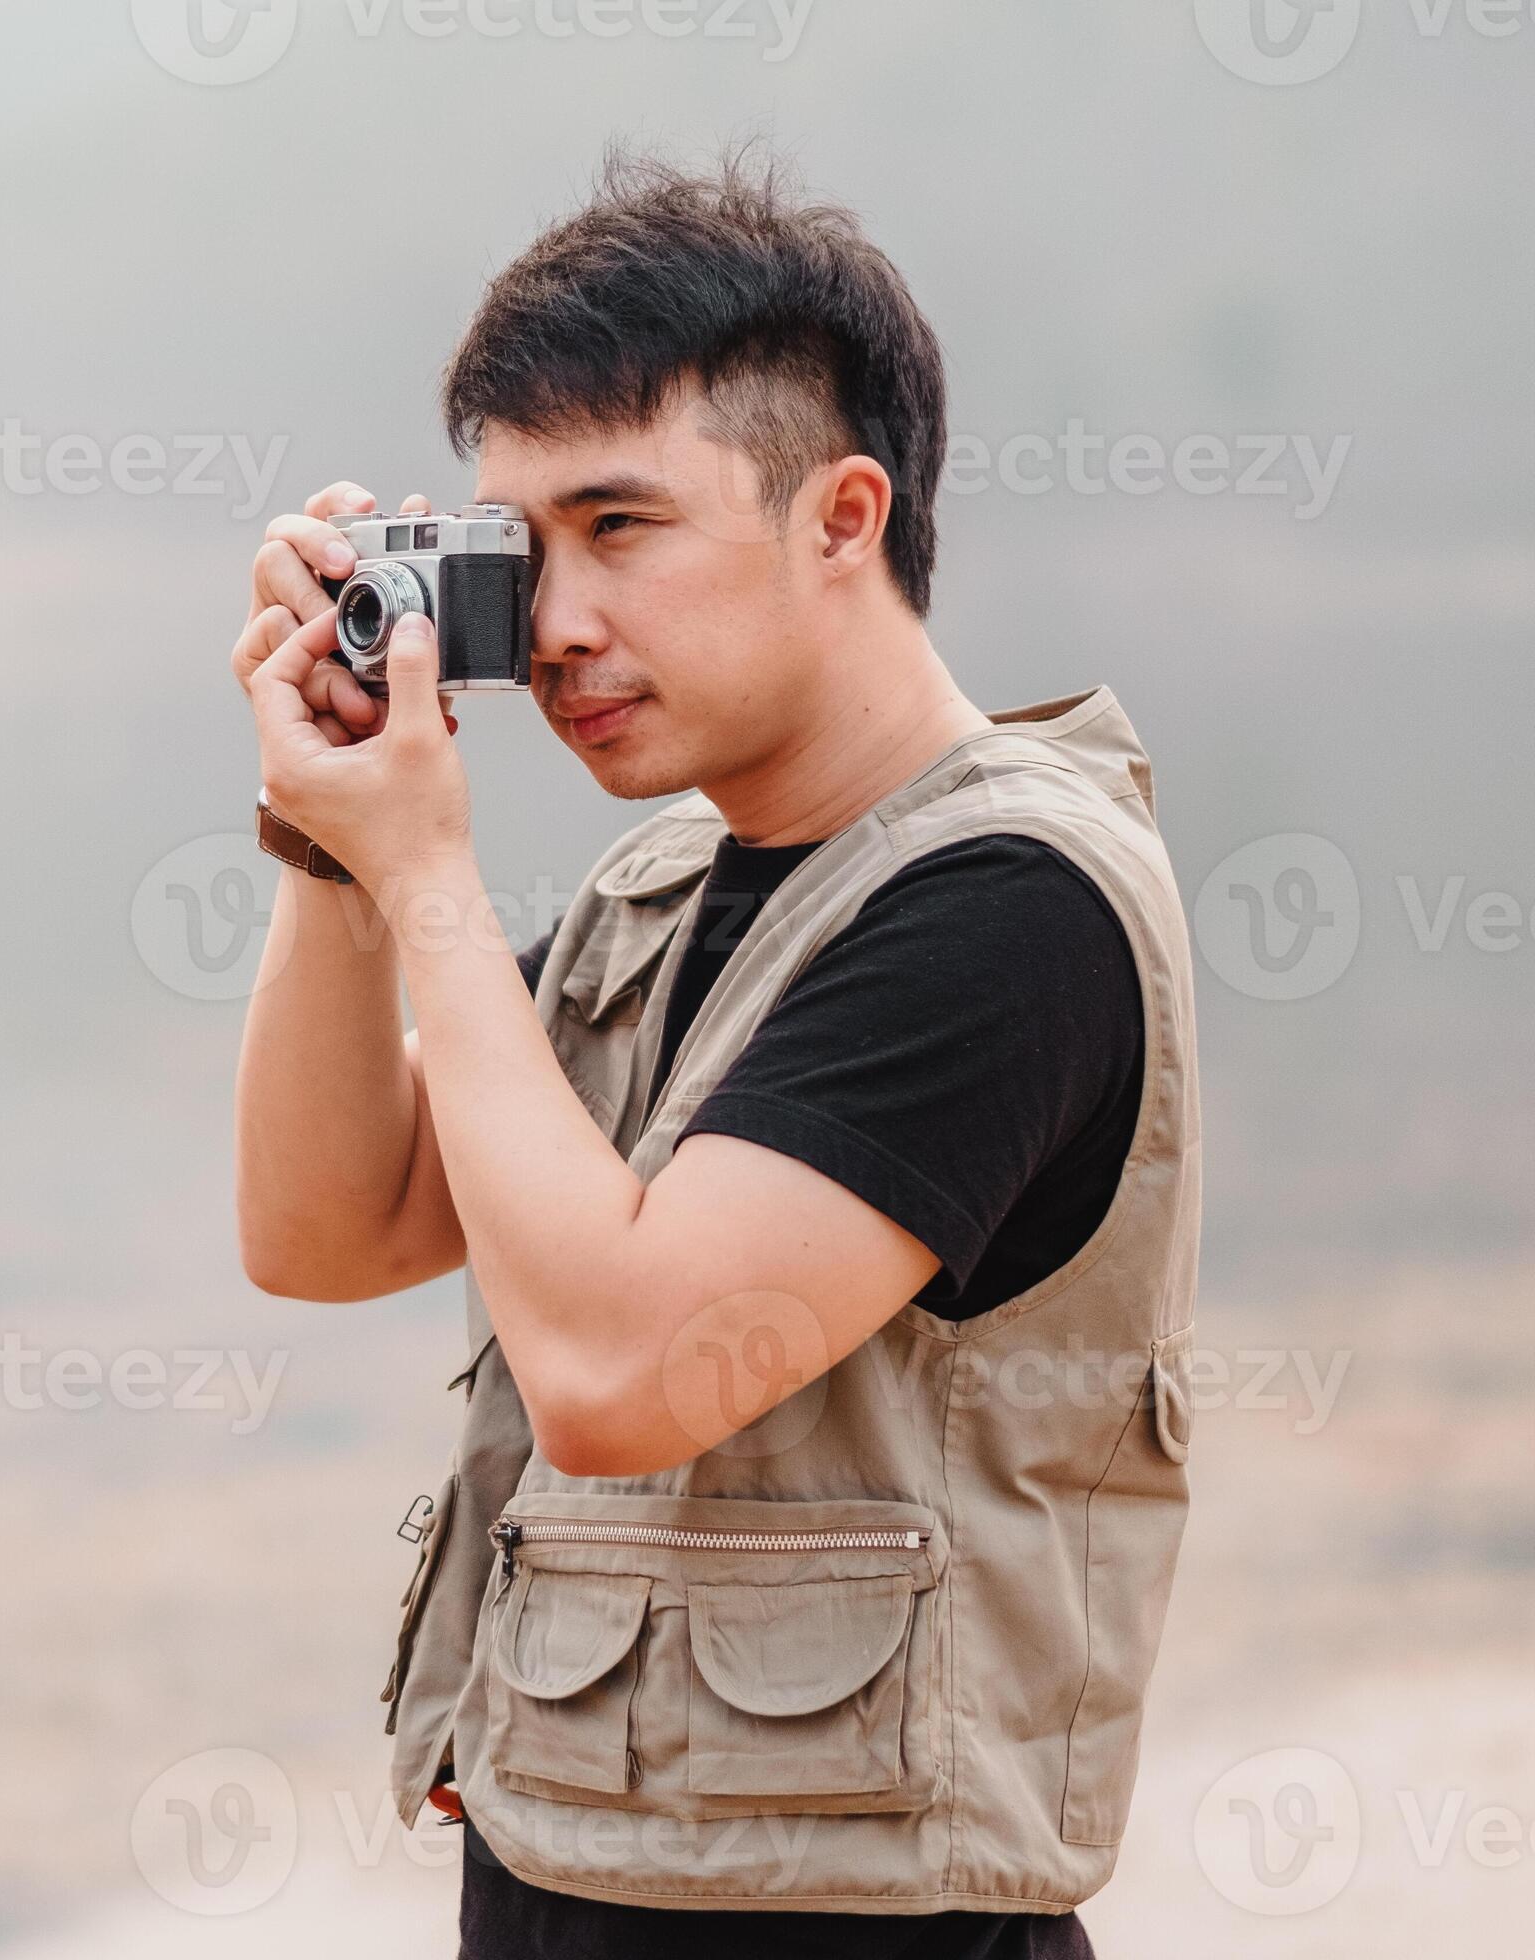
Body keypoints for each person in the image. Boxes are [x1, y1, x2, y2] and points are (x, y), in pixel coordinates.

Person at [226, 149, 1204, 1958]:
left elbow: (627, 1372)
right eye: (523, 547)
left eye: (621, 526)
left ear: (842, 517)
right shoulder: (663, 894)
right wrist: (333, 848)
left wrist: (428, 867)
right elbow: (321, 1226)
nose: (560, 624)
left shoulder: (1012, 904)